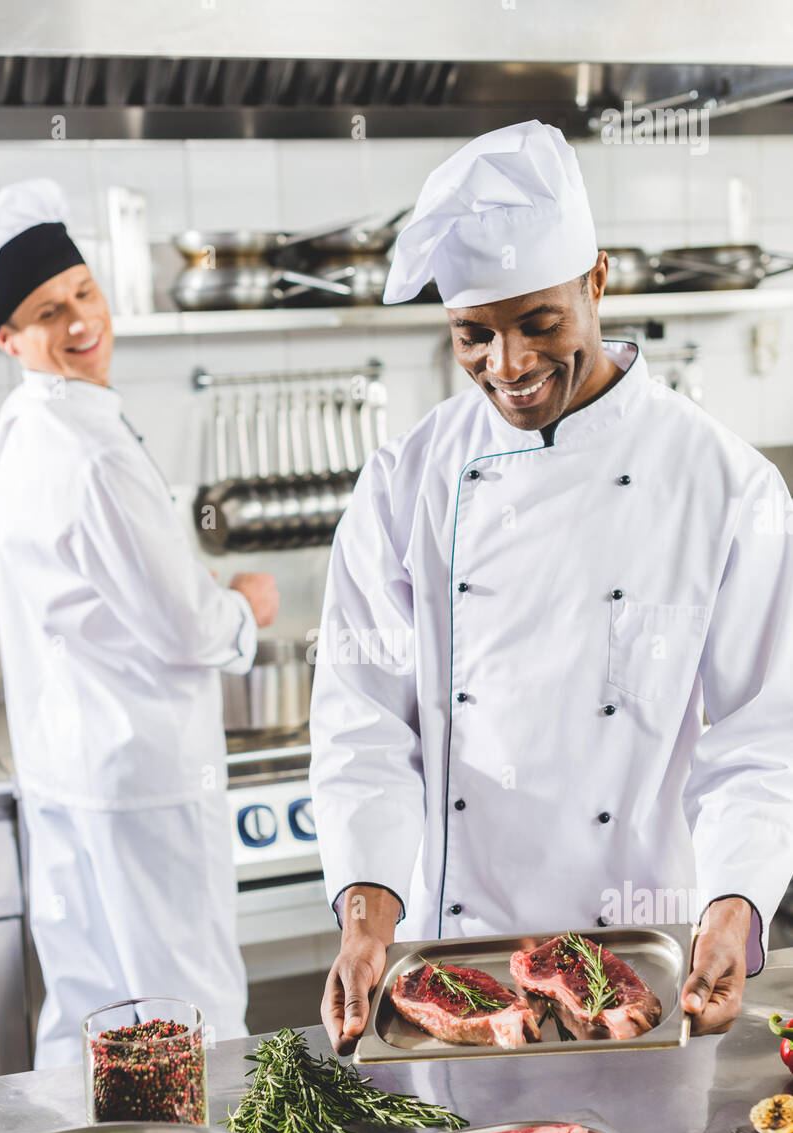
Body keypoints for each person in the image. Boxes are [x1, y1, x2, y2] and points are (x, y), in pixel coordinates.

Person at [309, 121, 793, 1052]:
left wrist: (734, 907)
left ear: (596, 282)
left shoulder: (725, 485)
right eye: (472, 336)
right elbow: (363, 719)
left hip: (643, 956)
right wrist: (366, 916)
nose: (510, 365)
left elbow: (760, 736)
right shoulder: (407, 478)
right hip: (450, 952)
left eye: (540, 325)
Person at [0, 179, 279, 1067]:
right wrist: (243, 605)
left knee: (92, 1018)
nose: (82, 319)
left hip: (62, 773)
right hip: (145, 779)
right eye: (50, 311)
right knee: (188, 1014)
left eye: (84, 292)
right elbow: (187, 630)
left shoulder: (21, 424)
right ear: (11, 340)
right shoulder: (90, 447)